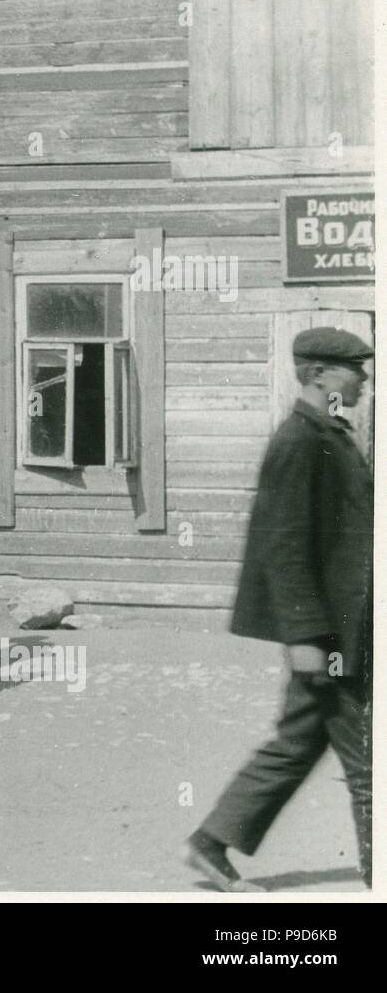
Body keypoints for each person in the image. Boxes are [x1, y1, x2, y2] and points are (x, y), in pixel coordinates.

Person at [185, 327, 373, 892]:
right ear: (319, 373)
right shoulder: (298, 440)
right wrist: (306, 636)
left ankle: (211, 843)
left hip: (347, 624)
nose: (363, 378)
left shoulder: (334, 434)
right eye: (352, 369)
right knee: (369, 762)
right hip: (331, 634)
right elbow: (283, 543)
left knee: (299, 742)